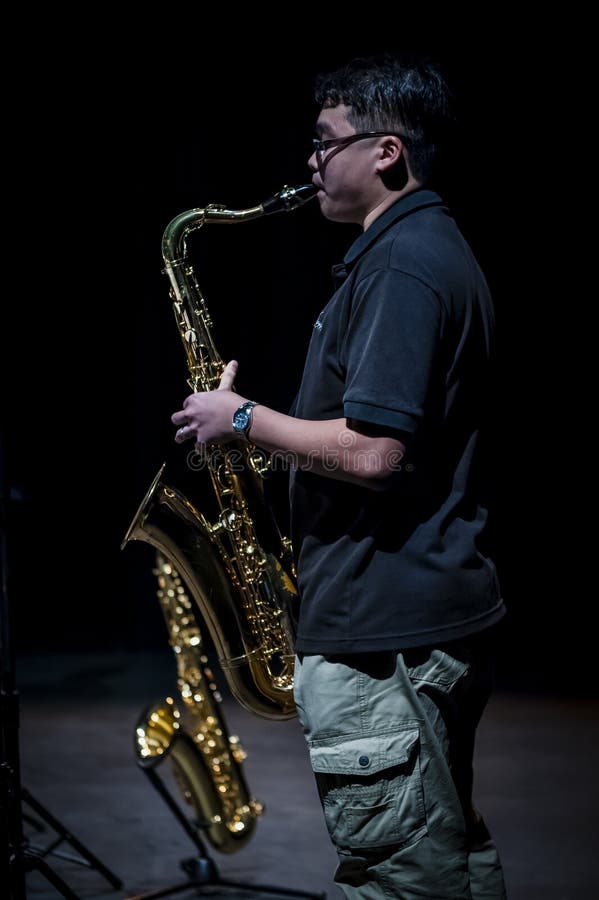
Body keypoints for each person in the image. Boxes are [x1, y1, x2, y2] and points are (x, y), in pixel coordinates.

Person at [171, 53, 508, 899]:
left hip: (385, 625)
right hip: (419, 613)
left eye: (325, 142)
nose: (310, 161)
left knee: (396, 878)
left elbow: (373, 453)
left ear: (385, 151)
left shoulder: (401, 265)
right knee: (449, 858)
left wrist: (239, 419)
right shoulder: (420, 250)